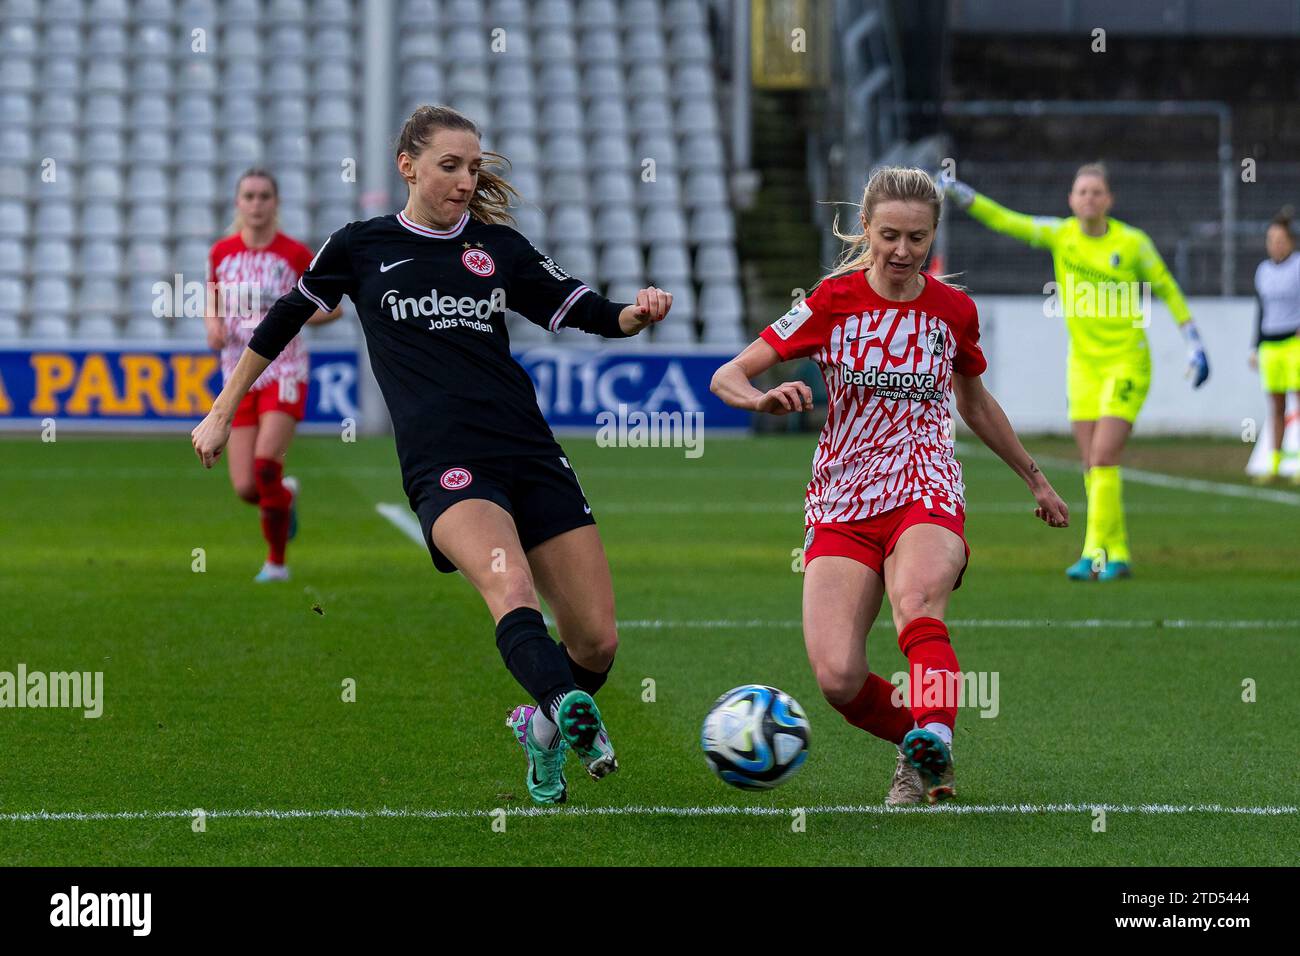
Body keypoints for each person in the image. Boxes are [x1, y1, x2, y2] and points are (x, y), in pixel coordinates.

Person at [191, 105, 673, 805]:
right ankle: (568, 711)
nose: (464, 180)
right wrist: (223, 407)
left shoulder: (498, 248)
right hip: (447, 465)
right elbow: (283, 319)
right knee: (510, 594)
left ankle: (541, 729)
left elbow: (588, 311)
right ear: (407, 165)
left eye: (474, 167)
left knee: (597, 641)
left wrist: (637, 312)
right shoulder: (359, 247)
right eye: (450, 165)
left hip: (529, 451)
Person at [711, 167, 1069, 805]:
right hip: (842, 498)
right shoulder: (829, 301)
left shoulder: (954, 311)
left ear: (933, 238)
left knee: (917, 606)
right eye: (889, 236)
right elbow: (728, 375)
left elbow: (976, 404)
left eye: (917, 238)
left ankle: (936, 735)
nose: (902, 251)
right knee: (838, 677)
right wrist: (762, 402)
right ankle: (916, 744)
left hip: (926, 484)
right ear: (866, 232)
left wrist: (1036, 480)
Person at [943, 163, 1209, 580]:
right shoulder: (1061, 234)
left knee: (1103, 455)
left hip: (1127, 362)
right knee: (1093, 464)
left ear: (1109, 200)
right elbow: (1006, 221)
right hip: (1083, 367)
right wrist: (963, 195)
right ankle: (1118, 551)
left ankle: (1093, 555)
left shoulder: (1133, 243)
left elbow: (1167, 288)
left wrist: (1193, 340)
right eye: (1081, 191)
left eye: (1096, 191)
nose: (1089, 198)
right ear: (1071, 200)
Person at [205, 168, 343, 582]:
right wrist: (212, 323)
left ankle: (276, 564)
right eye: (249, 196)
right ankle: (286, 495)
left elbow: (332, 307)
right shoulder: (222, 252)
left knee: (266, 466)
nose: (257, 204)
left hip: (284, 368)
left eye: (264, 196)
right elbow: (212, 294)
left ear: (276, 202)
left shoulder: (295, 254)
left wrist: (295, 318)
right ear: (238, 203)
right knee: (248, 487)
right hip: (237, 374)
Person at [1249, 208, 1300, 483]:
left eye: (1280, 239)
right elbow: (1261, 310)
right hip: (1270, 345)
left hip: (1294, 343)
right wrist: (1255, 347)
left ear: (1290, 241)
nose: (1275, 244)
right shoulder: (1263, 270)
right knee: (1276, 407)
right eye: (1271, 239)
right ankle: (1275, 462)